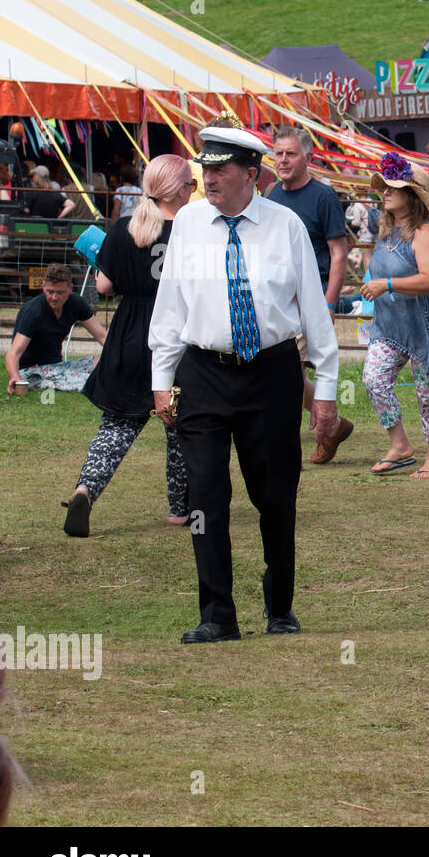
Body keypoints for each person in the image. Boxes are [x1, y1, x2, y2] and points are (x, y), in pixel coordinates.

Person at [148, 123, 340, 644]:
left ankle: (280, 606)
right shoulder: (187, 222)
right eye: (204, 169)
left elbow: (313, 311)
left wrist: (324, 390)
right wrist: (161, 380)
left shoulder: (286, 226)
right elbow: (171, 304)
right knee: (204, 498)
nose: (207, 178)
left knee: (275, 495)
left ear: (251, 174)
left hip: (272, 374)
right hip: (203, 373)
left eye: (219, 169)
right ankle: (217, 615)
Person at [62, 155, 194, 538]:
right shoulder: (191, 232)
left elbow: (103, 287)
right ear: (177, 189)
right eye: (191, 185)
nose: (193, 191)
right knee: (179, 427)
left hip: (129, 335)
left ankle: (85, 489)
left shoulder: (124, 229)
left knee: (117, 425)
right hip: (174, 338)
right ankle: (179, 509)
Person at [357, 153, 429, 479]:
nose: (385, 191)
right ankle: (400, 445)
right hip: (391, 325)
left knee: (428, 391)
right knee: (374, 379)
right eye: (384, 187)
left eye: (392, 187)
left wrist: (385, 284)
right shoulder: (385, 230)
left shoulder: (425, 231)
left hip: (425, 326)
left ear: (411, 195)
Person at [267, 125, 354, 465]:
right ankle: (331, 424)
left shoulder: (324, 197)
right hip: (280, 299)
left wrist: (328, 303)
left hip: (311, 297)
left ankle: (320, 428)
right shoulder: (273, 193)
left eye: (290, 154)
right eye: (279, 153)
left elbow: (338, 253)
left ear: (308, 157)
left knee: (290, 370)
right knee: (287, 370)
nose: (283, 160)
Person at [5, 264, 106, 394]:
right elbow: (13, 353)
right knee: (85, 379)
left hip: (58, 366)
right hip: (32, 372)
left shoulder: (76, 303)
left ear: (70, 288)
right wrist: (14, 376)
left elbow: (102, 336)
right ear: (43, 286)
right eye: (50, 292)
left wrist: (121, 357)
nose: (54, 297)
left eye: (60, 293)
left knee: (104, 360)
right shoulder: (33, 312)